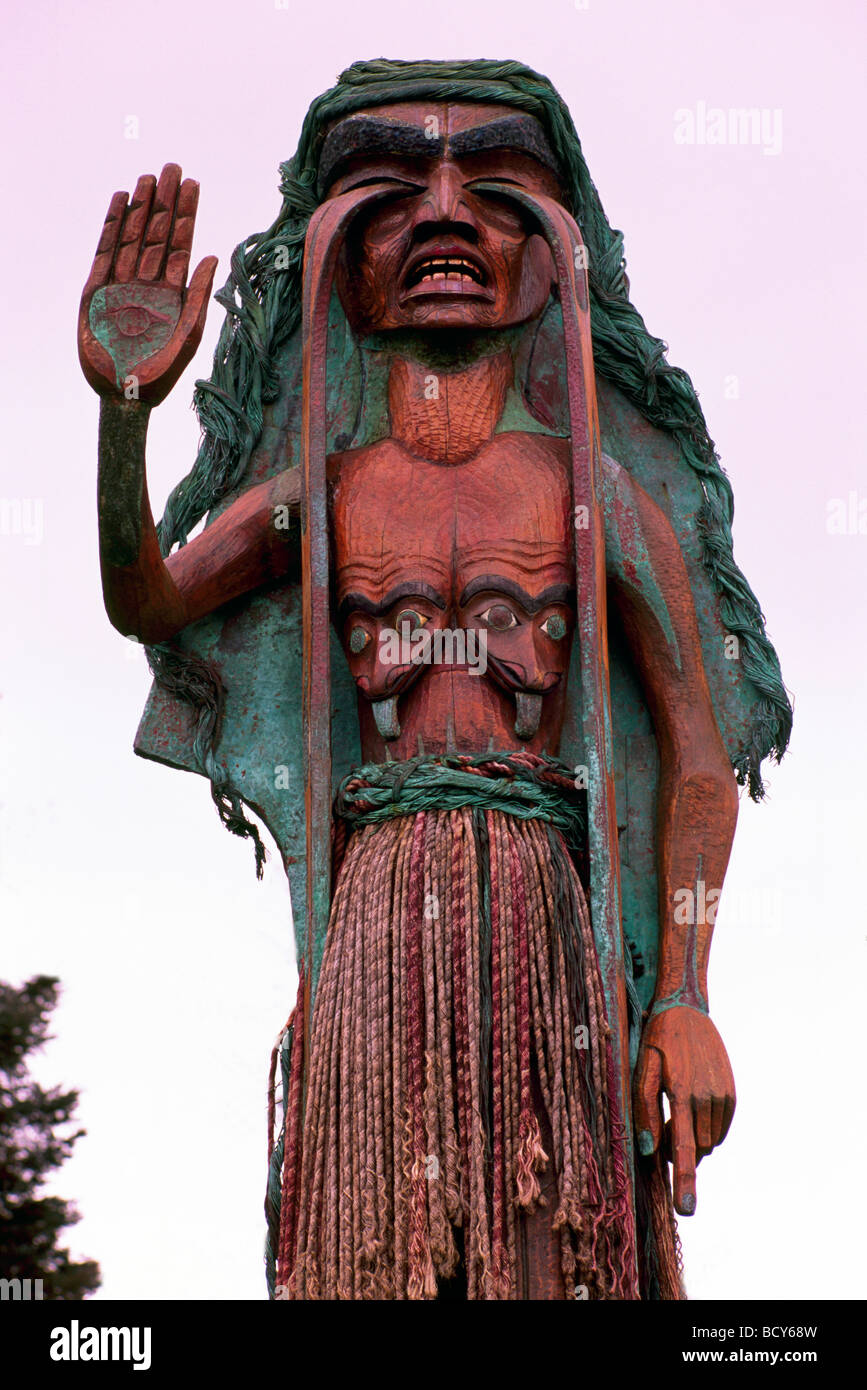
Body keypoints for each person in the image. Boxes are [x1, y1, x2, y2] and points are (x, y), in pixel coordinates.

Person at [78, 59, 790, 1300]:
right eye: (392, 189)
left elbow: (694, 750)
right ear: (335, 253)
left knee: (549, 1244)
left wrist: (683, 992)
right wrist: (127, 410)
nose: (445, 214)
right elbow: (148, 596)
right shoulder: (326, 493)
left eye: (495, 182)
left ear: (556, 250)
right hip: (376, 910)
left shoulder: (596, 496)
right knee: (375, 1252)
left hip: (543, 917)